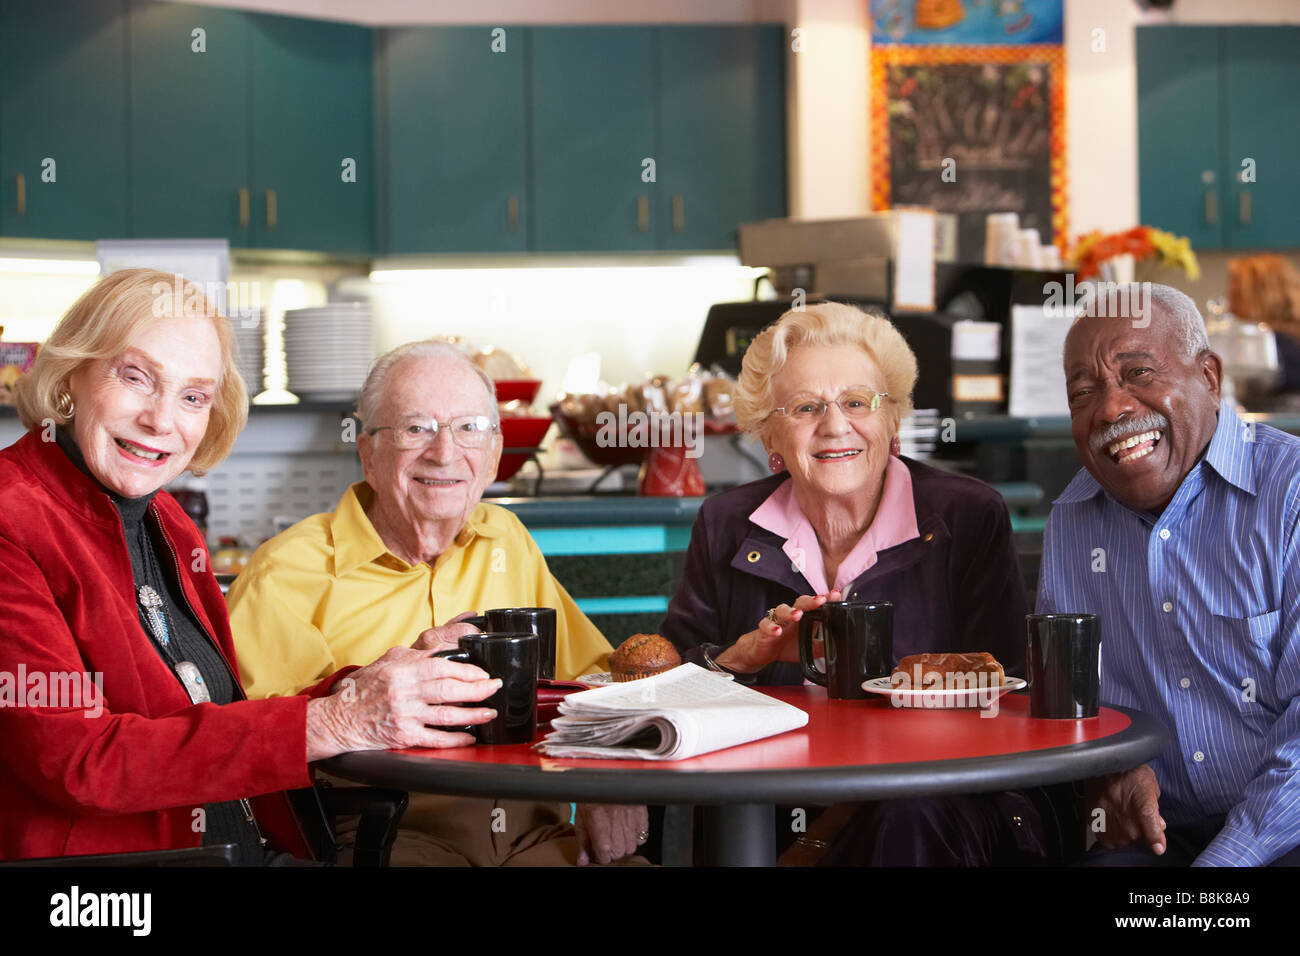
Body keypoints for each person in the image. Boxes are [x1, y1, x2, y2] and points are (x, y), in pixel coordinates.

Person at [0, 270, 501, 863]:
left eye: (193, 397)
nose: (162, 420)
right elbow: (80, 762)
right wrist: (331, 724)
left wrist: (361, 690)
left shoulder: (166, 521)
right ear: (71, 376)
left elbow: (219, 721)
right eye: (136, 378)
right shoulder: (13, 518)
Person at [227, 340, 648, 866]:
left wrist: (607, 782)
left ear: (494, 454)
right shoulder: (287, 571)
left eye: (469, 427)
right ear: (368, 453)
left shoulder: (507, 539)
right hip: (391, 836)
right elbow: (251, 745)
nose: (445, 452)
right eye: (416, 428)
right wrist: (368, 690)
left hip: (535, 833)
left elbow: (594, 680)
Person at [660, 301, 1047, 865]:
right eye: (806, 406)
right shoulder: (725, 524)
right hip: (767, 814)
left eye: (857, 402)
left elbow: (1011, 697)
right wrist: (739, 660)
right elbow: (667, 692)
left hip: (932, 806)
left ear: (891, 420)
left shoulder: (966, 516)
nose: (835, 425)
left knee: (906, 816)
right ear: (770, 434)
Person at [1038, 283, 1300, 866]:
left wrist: (1224, 865)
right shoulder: (1073, 519)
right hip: (1158, 831)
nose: (1110, 409)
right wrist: (1114, 771)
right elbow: (1071, 703)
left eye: (1138, 373)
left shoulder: (1290, 494)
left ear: (1208, 377)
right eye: (1084, 392)